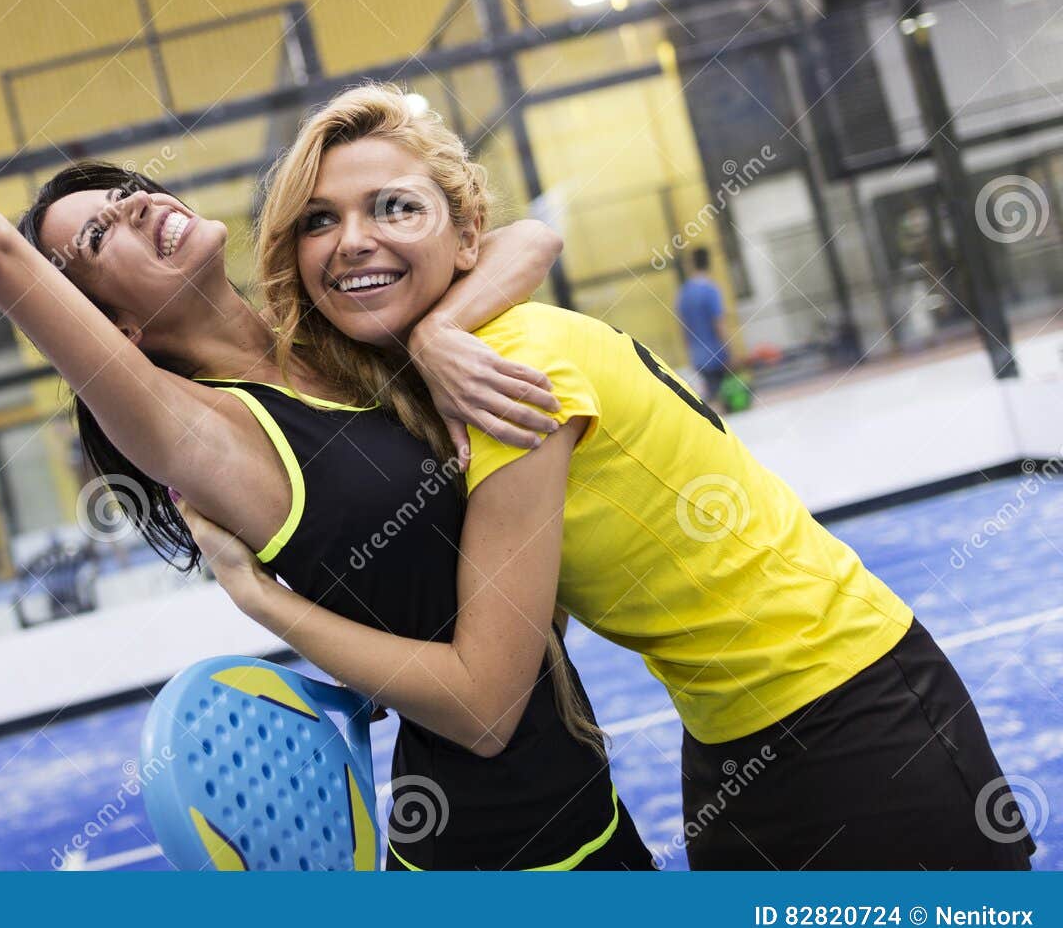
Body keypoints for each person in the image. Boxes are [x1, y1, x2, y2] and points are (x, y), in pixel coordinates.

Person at [0, 0, 653, 870]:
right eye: (98, 233)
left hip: (591, 812)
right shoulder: (202, 431)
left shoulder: (336, 323)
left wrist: (441, 331)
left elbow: (523, 237)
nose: (133, 206)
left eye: (127, 192)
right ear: (114, 329)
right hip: (494, 858)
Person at [178, 82, 1034, 870]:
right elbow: (529, 240)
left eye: (393, 206)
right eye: (319, 220)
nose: (354, 238)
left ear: (466, 235)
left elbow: (482, 702)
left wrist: (261, 600)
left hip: (853, 719)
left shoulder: (506, 375)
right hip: (737, 733)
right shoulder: (456, 363)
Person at [675, 247, 729, 407]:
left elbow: (682, 326)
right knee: (722, 398)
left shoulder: (684, 292)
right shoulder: (710, 290)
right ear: (709, 262)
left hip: (697, 356)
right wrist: (729, 349)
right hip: (716, 353)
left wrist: (689, 351)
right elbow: (718, 323)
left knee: (709, 398)